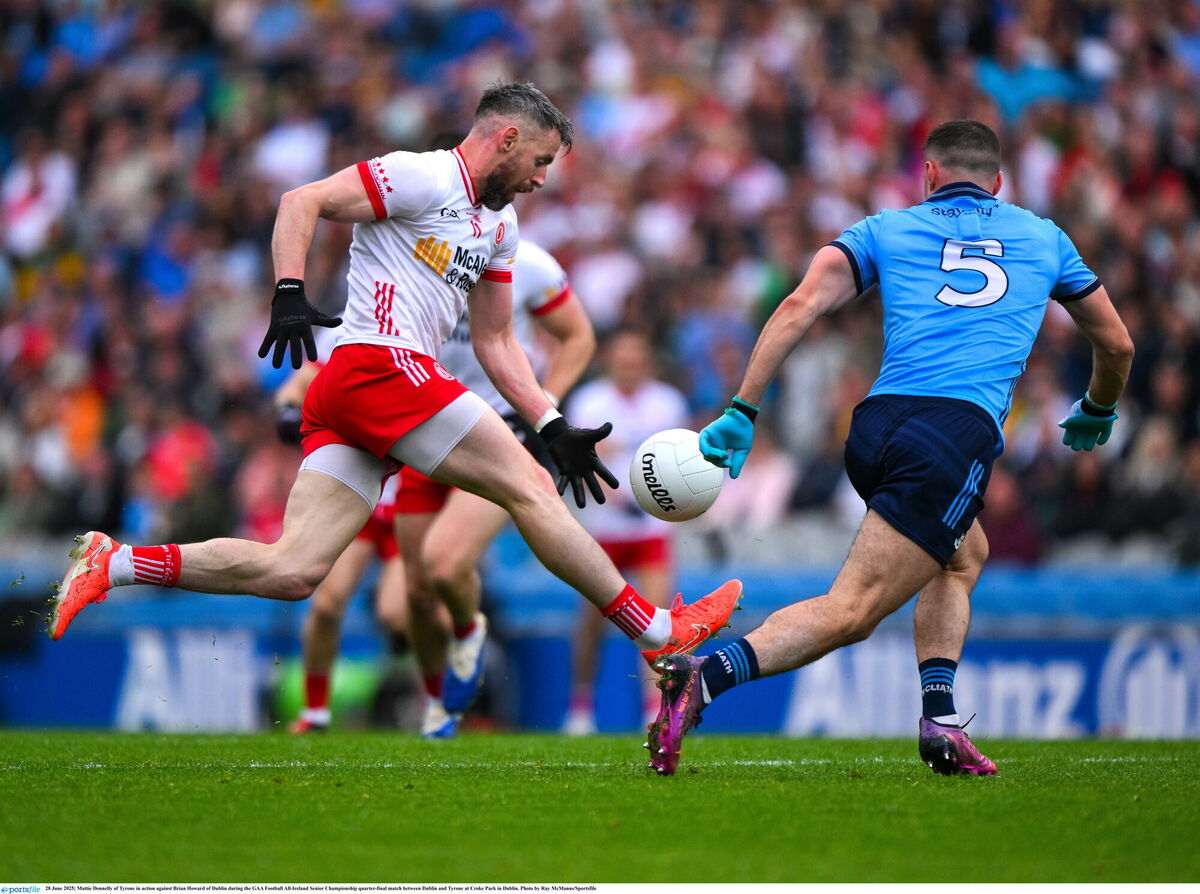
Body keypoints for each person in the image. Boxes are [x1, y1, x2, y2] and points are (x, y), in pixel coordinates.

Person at [49, 82, 742, 685]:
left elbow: (497, 342)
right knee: (528, 486)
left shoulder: (500, 226)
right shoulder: (421, 175)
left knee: (293, 571)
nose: (540, 179)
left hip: (365, 391)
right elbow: (301, 200)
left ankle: (114, 563)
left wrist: (549, 422)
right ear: (506, 139)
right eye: (540, 161)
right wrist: (288, 291)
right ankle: (657, 630)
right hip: (381, 366)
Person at [646, 120, 1134, 777]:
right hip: (952, 435)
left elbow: (797, 306)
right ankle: (704, 677)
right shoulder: (1044, 237)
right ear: (998, 182)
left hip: (874, 428)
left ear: (928, 174)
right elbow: (1117, 344)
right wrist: (1098, 407)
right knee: (852, 611)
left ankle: (940, 720)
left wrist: (742, 409)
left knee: (964, 555)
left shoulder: (885, 228)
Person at [393, 236, 597, 739]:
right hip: (425, 429)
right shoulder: (415, 249)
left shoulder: (528, 262)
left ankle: (468, 629)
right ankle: (438, 703)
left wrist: (545, 405)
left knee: (445, 564)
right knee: (416, 592)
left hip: (500, 433)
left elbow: (578, 337)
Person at [272, 346, 412, 734]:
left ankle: (433, 680)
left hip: (410, 502)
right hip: (360, 496)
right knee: (326, 604)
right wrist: (287, 411)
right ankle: (315, 712)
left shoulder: (424, 328)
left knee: (395, 613)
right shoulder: (347, 330)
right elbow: (298, 382)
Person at [559, 329, 689, 735]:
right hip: (603, 531)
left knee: (657, 622)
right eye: (623, 358)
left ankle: (653, 708)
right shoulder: (589, 401)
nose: (629, 365)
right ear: (610, 361)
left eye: (636, 358)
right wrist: (617, 498)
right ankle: (580, 706)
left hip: (651, 530)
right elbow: (580, 461)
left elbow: (682, 463)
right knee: (591, 622)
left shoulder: (668, 403)